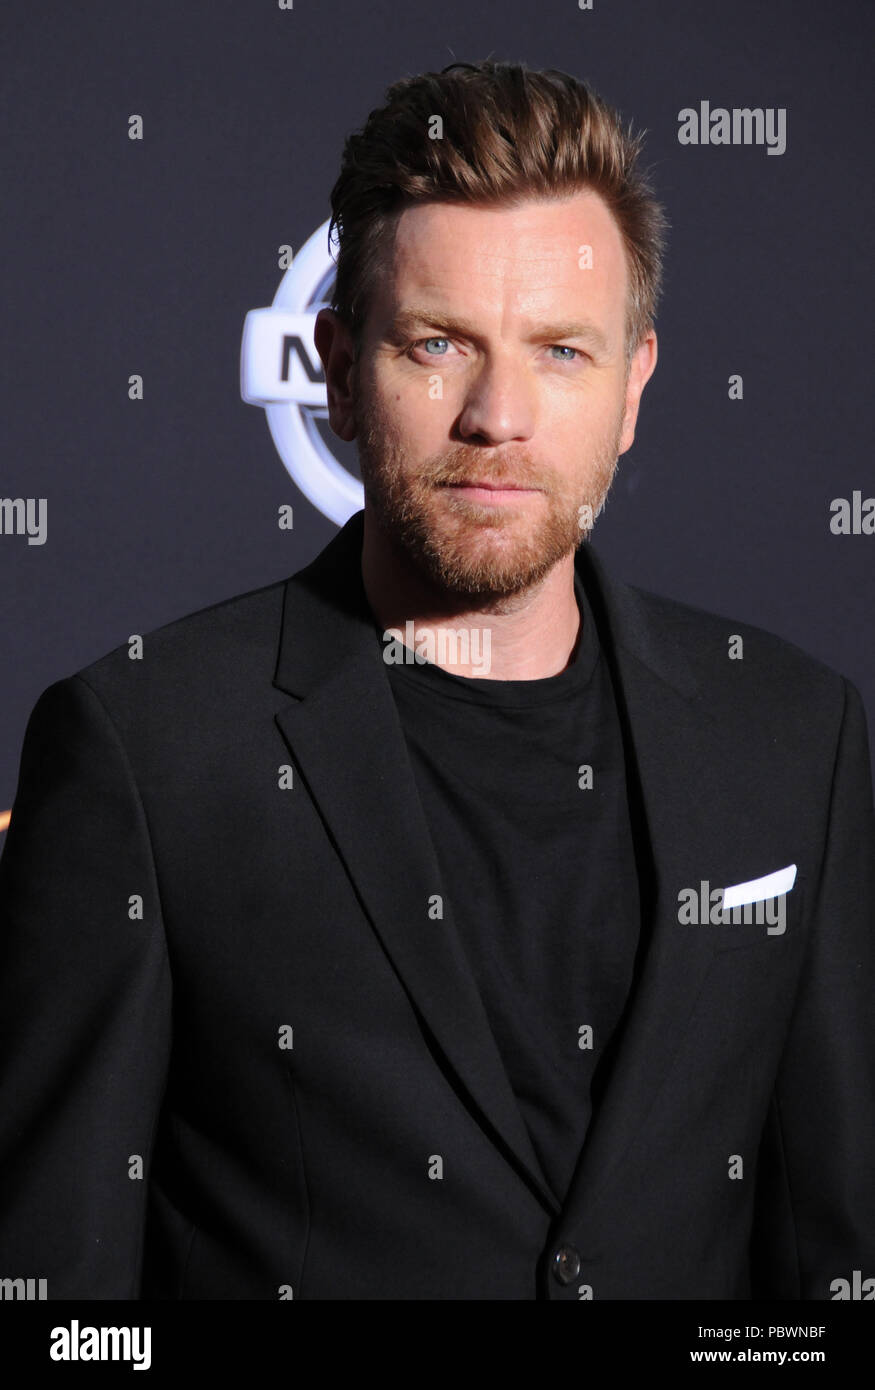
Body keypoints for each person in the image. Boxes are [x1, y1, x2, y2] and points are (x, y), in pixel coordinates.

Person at [0, 60, 872, 1301]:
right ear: (340, 374)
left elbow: (830, 1263)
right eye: (437, 343)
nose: (497, 414)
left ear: (632, 390)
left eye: (561, 351)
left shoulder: (792, 737)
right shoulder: (147, 748)